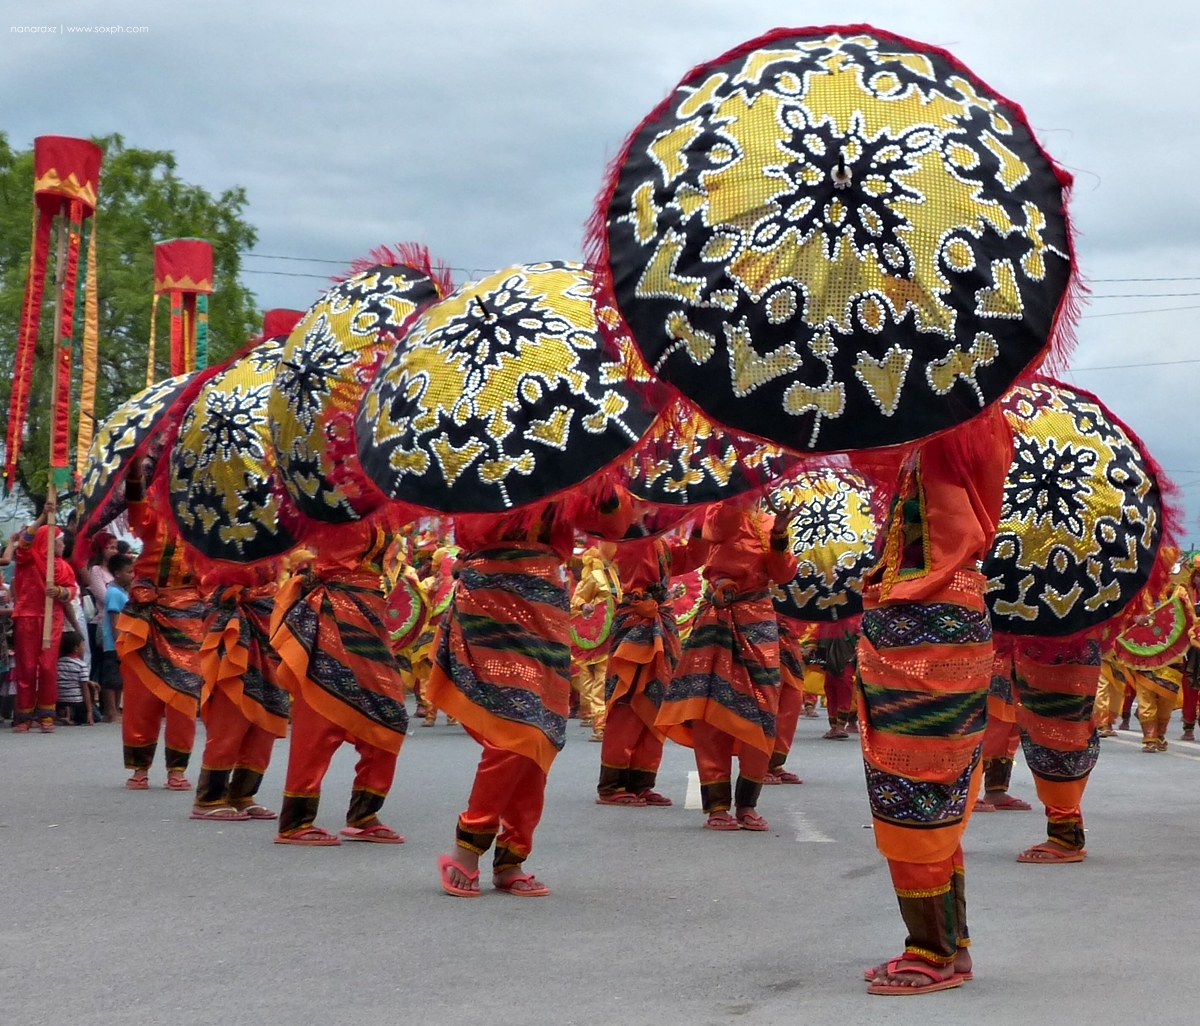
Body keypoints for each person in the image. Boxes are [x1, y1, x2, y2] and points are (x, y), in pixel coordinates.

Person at [858, 410, 1011, 995]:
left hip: (929, 622)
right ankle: (949, 945)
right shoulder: (951, 422)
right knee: (931, 791)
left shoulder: (958, 421)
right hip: (936, 615)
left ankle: (931, 953)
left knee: (914, 788)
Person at [432, 492, 632, 898]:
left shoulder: (569, 470)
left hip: (546, 603)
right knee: (515, 728)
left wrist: (605, 490)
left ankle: (513, 857)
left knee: (542, 733)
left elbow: (613, 525)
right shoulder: (481, 463)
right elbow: (470, 523)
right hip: (491, 599)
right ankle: (467, 846)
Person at [655, 497, 797, 832]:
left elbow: (783, 573)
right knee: (712, 710)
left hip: (759, 621)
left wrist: (779, 533)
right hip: (718, 617)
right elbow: (715, 537)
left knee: (763, 709)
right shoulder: (718, 512)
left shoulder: (768, 521)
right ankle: (717, 806)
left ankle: (748, 804)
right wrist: (735, 500)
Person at [270, 520, 408, 846]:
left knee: (389, 715)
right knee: (320, 717)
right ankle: (296, 820)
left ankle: (364, 814)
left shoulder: (385, 509)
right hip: (334, 612)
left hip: (371, 616)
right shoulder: (328, 503)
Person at [595, 525, 705, 805]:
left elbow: (692, 557)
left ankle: (642, 782)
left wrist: (700, 528)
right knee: (627, 703)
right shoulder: (626, 536)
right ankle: (612, 785)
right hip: (636, 624)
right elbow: (621, 561)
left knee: (657, 703)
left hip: (661, 624)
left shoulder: (660, 544)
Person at [116, 462, 206, 789]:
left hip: (189, 616)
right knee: (140, 693)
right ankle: (139, 768)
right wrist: (134, 473)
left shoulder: (205, 525)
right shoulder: (155, 517)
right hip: (148, 612)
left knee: (183, 695)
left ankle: (177, 769)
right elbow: (136, 508)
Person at [192, 562, 289, 822]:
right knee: (230, 726)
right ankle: (208, 798)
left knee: (264, 728)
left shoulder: (274, 585)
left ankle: (242, 795)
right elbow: (210, 605)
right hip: (236, 651)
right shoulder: (226, 572)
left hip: (271, 649)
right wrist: (232, 600)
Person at [11, 500, 77, 732]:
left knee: (48, 666)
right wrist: (42, 516)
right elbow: (23, 542)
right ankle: (24, 715)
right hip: (28, 616)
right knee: (27, 666)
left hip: (52, 618)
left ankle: (47, 713)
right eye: (59, 541)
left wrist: (59, 592)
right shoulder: (27, 557)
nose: (63, 545)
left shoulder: (63, 566)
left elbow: (72, 590)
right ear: (48, 541)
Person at [570, 544, 620, 742]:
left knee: (610, 678)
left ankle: (610, 720)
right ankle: (599, 724)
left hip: (617, 632)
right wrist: (585, 605)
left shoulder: (618, 573)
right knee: (599, 678)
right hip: (599, 635)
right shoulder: (595, 576)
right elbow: (577, 598)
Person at [972, 650, 1033, 812]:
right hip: (995, 660)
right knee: (991, 728)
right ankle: (965, 793)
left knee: (1010, 731)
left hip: (1021, 660)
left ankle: (996, 789)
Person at [764, 613, 806, 785]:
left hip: (790, 646)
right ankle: (757, 766)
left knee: (790, 708)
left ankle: (775, 764)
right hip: (764, 643)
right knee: (765, 707)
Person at [97, 554, 132, 723]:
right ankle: (110, 710)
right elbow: (114, 619)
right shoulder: (114, 593)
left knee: (119, 677)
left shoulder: (121, 592)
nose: (132, 575)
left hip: (122, 641)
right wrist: (118, 643)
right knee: (111, 677)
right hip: (114, 643)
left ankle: (116, 709)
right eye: (129, 572)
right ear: (117, 573)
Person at [55, 631, 93, 725]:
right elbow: (84, 689)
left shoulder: (57, 663)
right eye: (83, 645)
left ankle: (63, 713)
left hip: (59, 700)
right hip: (76, 701)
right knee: (97, 716)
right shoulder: (81, 665)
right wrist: (89, 711)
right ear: (76, 648)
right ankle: (71, 715)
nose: (84, 648)